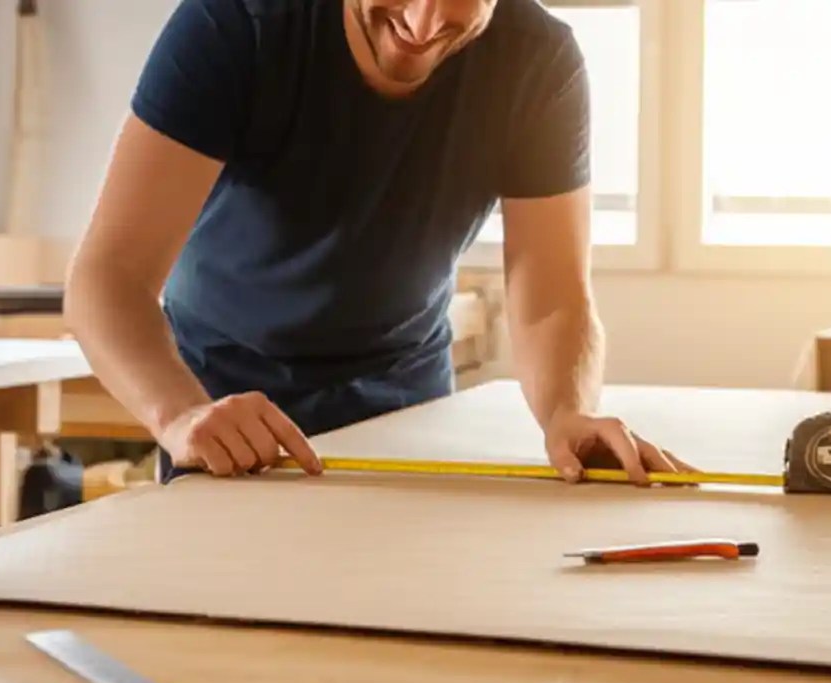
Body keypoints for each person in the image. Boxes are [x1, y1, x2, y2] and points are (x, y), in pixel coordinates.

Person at [64, 0, 694, 484]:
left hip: (408, 403)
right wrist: (177, 416)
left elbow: (554, 295)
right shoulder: (237, 25)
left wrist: (566, 412)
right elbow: (108, 278)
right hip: (223, 404)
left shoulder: (538, 61)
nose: (422, 23)